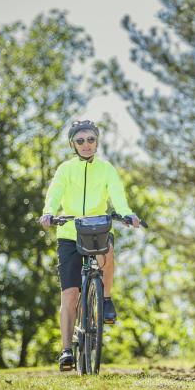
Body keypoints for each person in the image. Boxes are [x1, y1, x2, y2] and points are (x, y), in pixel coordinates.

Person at [39, 120, 141, 371]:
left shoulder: (107, 169)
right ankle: (66, 350)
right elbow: (54, 193)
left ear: (97, 141)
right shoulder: (65, 169)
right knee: (70, 294)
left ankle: (105, 299)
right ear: (73, 144)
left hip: (97, 229)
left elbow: (118, 195)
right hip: (69, 232)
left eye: (91, 140)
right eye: (80, 141)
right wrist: (48, 213)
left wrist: (127, 214)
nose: (86, 145)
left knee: (108, 250)